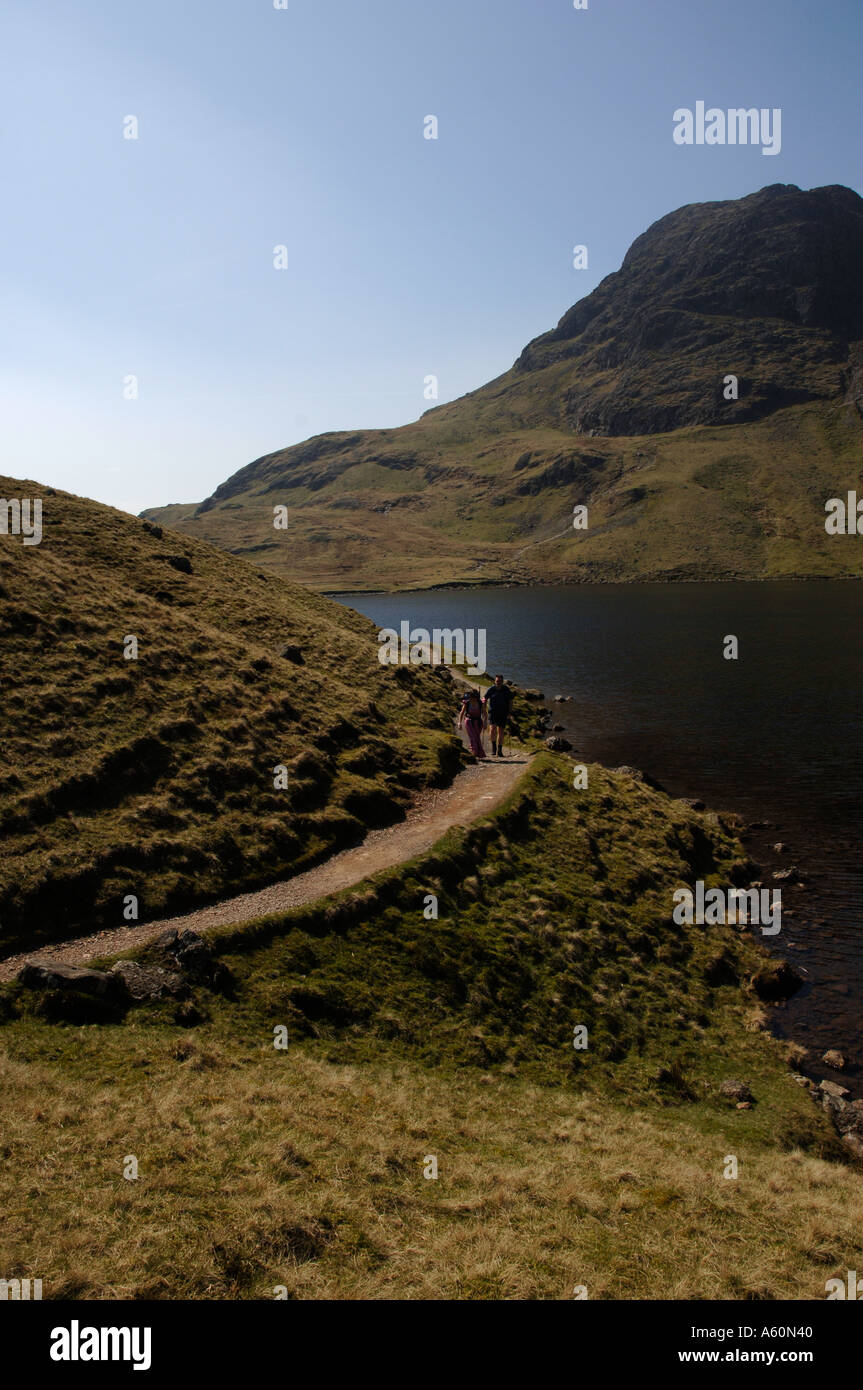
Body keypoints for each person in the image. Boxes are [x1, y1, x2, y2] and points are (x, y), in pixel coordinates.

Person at [484, 674, 513, 757]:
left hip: (503, 713)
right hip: (492, 712)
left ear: (502, 682)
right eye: (497, 681)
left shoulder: (506, 689)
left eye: (500, 681)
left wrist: (510, 712)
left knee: (501, 731)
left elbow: (511, 700)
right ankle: (494, 748)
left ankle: (499, 750)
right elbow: (484, 698)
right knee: (492, 729)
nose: (498, 683)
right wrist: (483, 710)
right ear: (494, 681)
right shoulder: (491, 689)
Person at [457, 688, 486, 759]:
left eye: (474, 698)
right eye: (471, 698)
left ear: (477, 697)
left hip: (478, 722)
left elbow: (485, 714)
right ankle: (475, 752)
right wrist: (459, 723)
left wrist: (485, 722)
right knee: (473, 737)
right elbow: (461, 713)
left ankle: (478, 753)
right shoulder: (467, 703)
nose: (473, 700)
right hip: (469, 721)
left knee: (477, 738)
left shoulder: (480, 703)